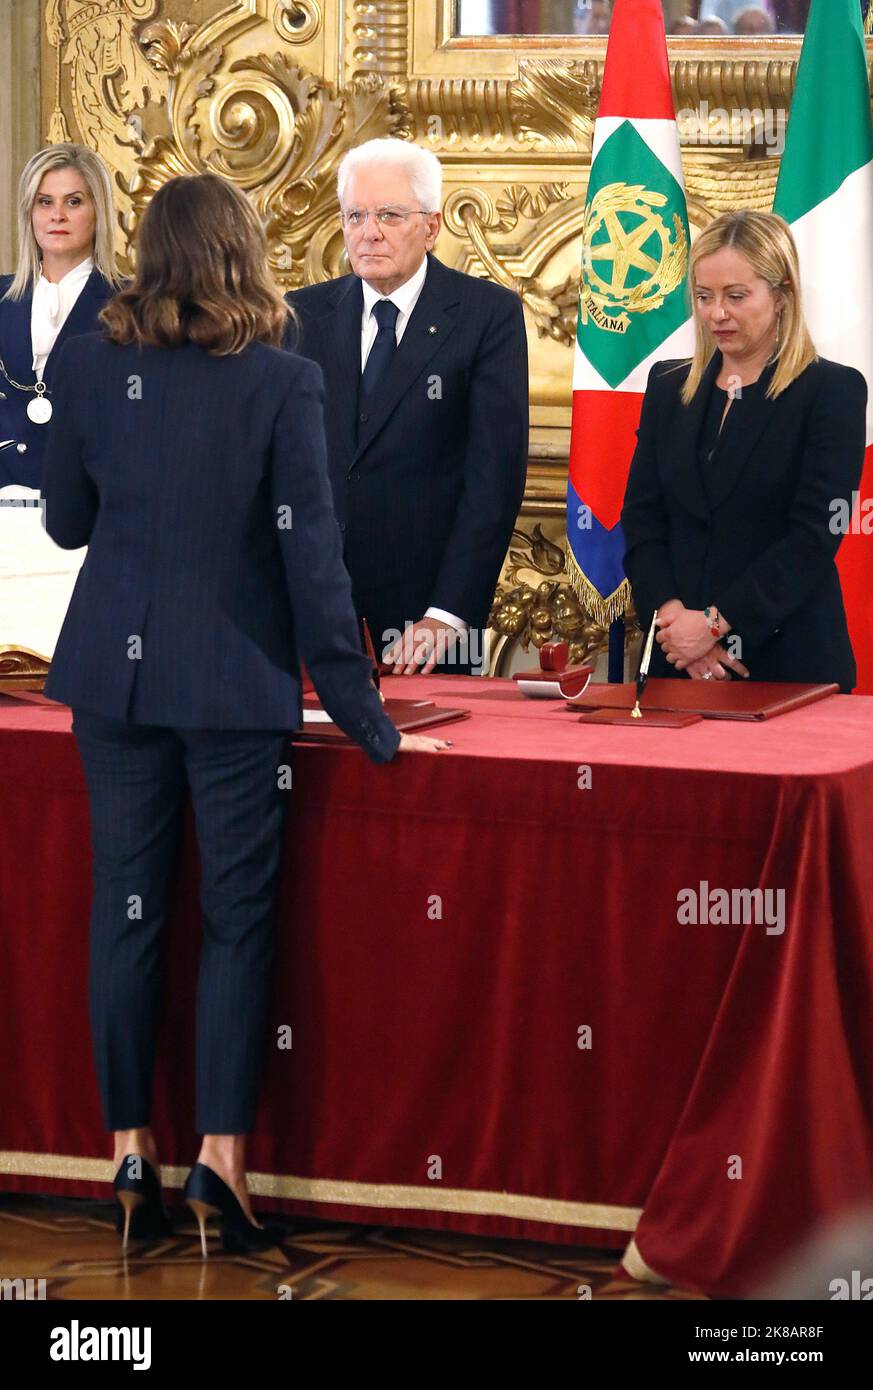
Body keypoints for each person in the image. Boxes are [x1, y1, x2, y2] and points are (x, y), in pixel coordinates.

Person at [41, 172, 449, 1257]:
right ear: (243, 254)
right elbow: (313, 563)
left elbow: (67, 526)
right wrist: (368, 718)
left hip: (113, 687)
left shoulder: (84, 360)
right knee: (235, 920)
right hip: (232, 690)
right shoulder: (281, 379)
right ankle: (220, 1161)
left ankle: (129, 1151)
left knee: (125, 913)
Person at [287, 138, 529, 676]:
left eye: (390, 215)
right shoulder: (301, 316)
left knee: (435, 756)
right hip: (314, 611)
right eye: (355, 215)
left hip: (430, 621)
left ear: (432, 225)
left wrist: (447, 615)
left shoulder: (487, 315)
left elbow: (494, 480)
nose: (368, 232)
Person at [620, 210, 866, 692]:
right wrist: (675, 624)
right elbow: (642, 519)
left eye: (736, 296)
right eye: (704, 297)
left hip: (789, 665)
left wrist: (712, 626)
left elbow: (814, 536)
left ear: (781, 295)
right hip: (676, 664)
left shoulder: (831, 391)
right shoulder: (668, 387)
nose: (717, 314)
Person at [0, 143, 121, 489]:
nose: (57, 216)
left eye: (73, 201)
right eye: (45, 202)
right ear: (30, 212)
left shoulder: (136, 303)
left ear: (98, 211)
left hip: (93, 507)